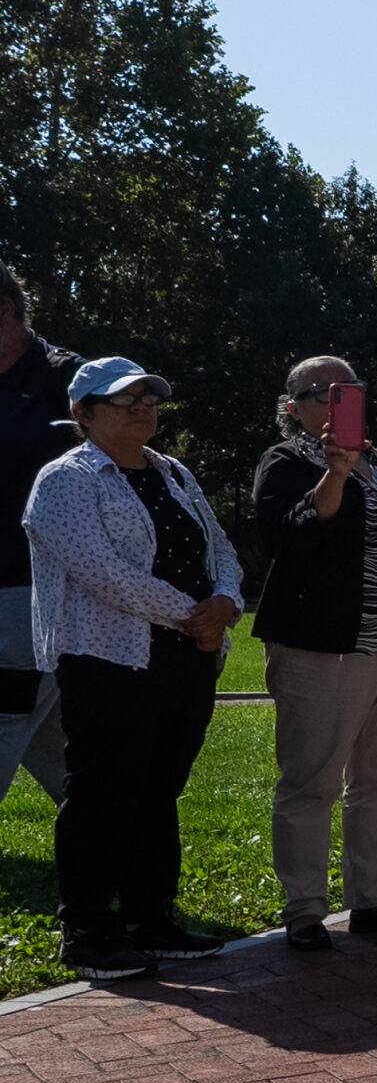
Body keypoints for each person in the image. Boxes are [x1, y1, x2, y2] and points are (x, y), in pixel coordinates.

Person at [22, 359, 240, 979]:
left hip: (186, 656)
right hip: (107, 657)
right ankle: (88, 931)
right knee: (102, 790)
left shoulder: (174, 472)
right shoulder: (63, 480)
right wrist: (195, 615)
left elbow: (219, 548)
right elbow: (104, 574)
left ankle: (153, 921)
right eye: (122, 401)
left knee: (158, 789)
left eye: (148, 398)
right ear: (83, 414)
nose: (141, 408)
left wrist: (224, 603)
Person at [250, 353, 377, 953]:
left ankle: (373, 900)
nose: (338, 397)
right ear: (295, 408)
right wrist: (333, 473)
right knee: (311, 781)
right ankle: (305, 909)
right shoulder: (285, 460)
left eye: (349, 388)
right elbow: (291, 534)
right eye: (323, 391)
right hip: (324, 648)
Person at [0, 266, 85, 815]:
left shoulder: (68, 379)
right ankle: (112, 839)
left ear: (5, 310)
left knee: (8, 712)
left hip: (36, 583)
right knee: (51, 726)